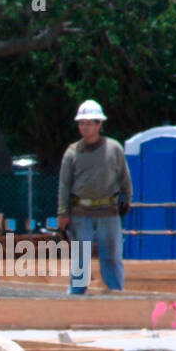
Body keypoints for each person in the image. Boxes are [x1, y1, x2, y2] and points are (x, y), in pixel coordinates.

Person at [57, 99, 132, 295]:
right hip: (81, 213)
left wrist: (127, 198)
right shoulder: (72, 153)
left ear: (99, 124)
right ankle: (76, 293)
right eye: (81, 123)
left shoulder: (113, 149)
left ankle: (116, 291)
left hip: (108, 211)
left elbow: (124, 177)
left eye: (89, 123)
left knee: (112, 256)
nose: (84, 126)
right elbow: (64, 185)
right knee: (80, 257)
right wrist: (63, 213)